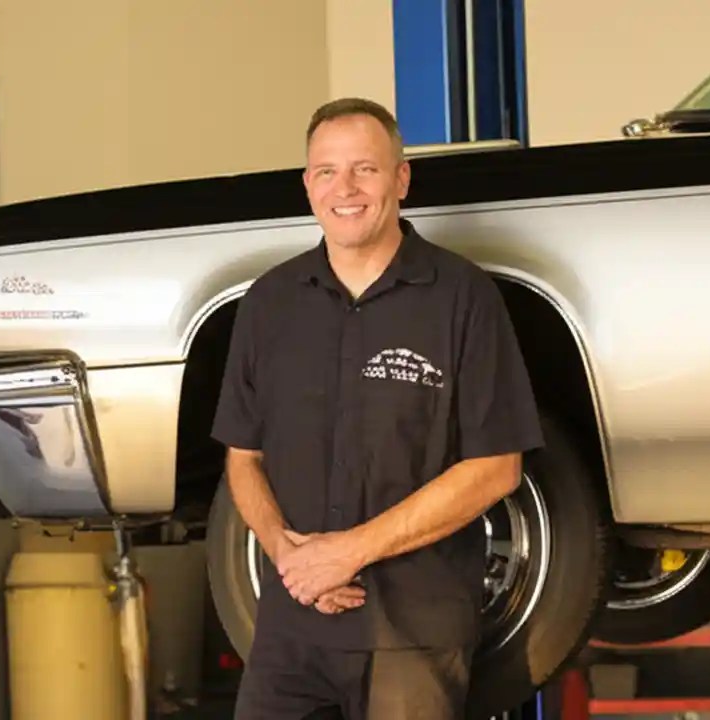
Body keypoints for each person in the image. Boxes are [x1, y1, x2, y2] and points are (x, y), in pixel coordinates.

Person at [211, 97, 544, 720]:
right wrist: (289, 556)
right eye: (327, 171)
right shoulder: (269, 303)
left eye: (364, 168)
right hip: (292, 628)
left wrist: (349, 552)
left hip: (412, 635)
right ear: (308, 185)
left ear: (401, 179)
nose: (346, 188)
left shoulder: (463, 298)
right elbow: (243, 458)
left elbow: (497, 467)